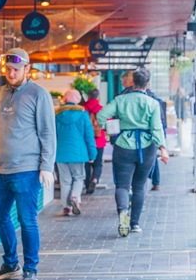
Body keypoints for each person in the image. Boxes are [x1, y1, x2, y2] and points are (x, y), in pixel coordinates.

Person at [0, 48, 55, 280]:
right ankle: (11, 264)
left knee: (27, 219)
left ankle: (31, 270)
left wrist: (47, 166)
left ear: (27, 69)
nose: (11, 73)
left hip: (28, 169)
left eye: (16, 70)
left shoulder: (39, 95)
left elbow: (48, 133)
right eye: (8, 69)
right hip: (1, 170)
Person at [97, 68, 169, 237]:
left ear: (132, 83)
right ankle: (134, 223)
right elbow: (157, 128)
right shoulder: (152, 103)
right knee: (139, 186)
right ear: (148, 84)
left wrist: (110, 129)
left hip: (123, 146)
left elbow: (101, 116)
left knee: (122, 185)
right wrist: (163, 149)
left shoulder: (120, 100)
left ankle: (123, 211)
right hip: (147, 148)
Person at [55, 90, 96, 216]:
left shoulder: (56, 115)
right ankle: (74, 197)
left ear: (65, 99)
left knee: (65, 181)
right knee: (78, 178)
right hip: (78, 153)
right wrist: (92, 154)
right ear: (78, 100)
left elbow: (52, 136)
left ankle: (66, 207)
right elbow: (89, 136)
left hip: (60, 153)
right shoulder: (83, 115)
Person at [81, 88, 107, 194]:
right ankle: (95, 179)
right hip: (99, 140)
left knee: (86, 164)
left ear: (88, 96)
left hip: (85, 141)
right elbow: (107, 125)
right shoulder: (101, 109)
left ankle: (87, 184)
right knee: (98, 163)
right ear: (98, 97)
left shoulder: (82, 108)